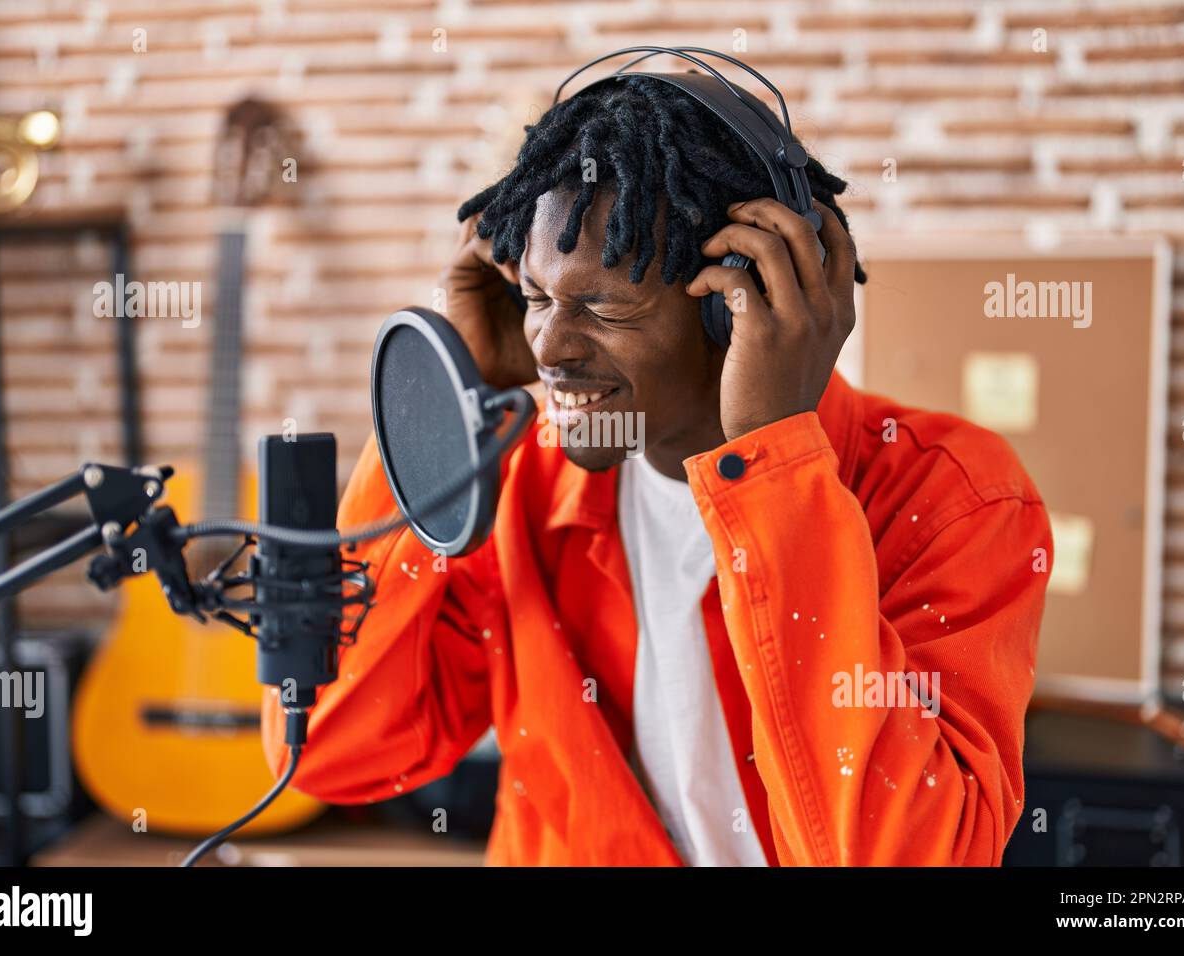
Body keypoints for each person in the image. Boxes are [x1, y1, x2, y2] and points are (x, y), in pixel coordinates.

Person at [262, 73, 1052, 866]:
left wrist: (775, 462)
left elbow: (910, 856)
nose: (550, 350)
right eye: (536, 297)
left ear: (735, 301)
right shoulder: (524, 482)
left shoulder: (954, 497)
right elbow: (329, 748)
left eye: (603, 309)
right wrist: (435, 414)